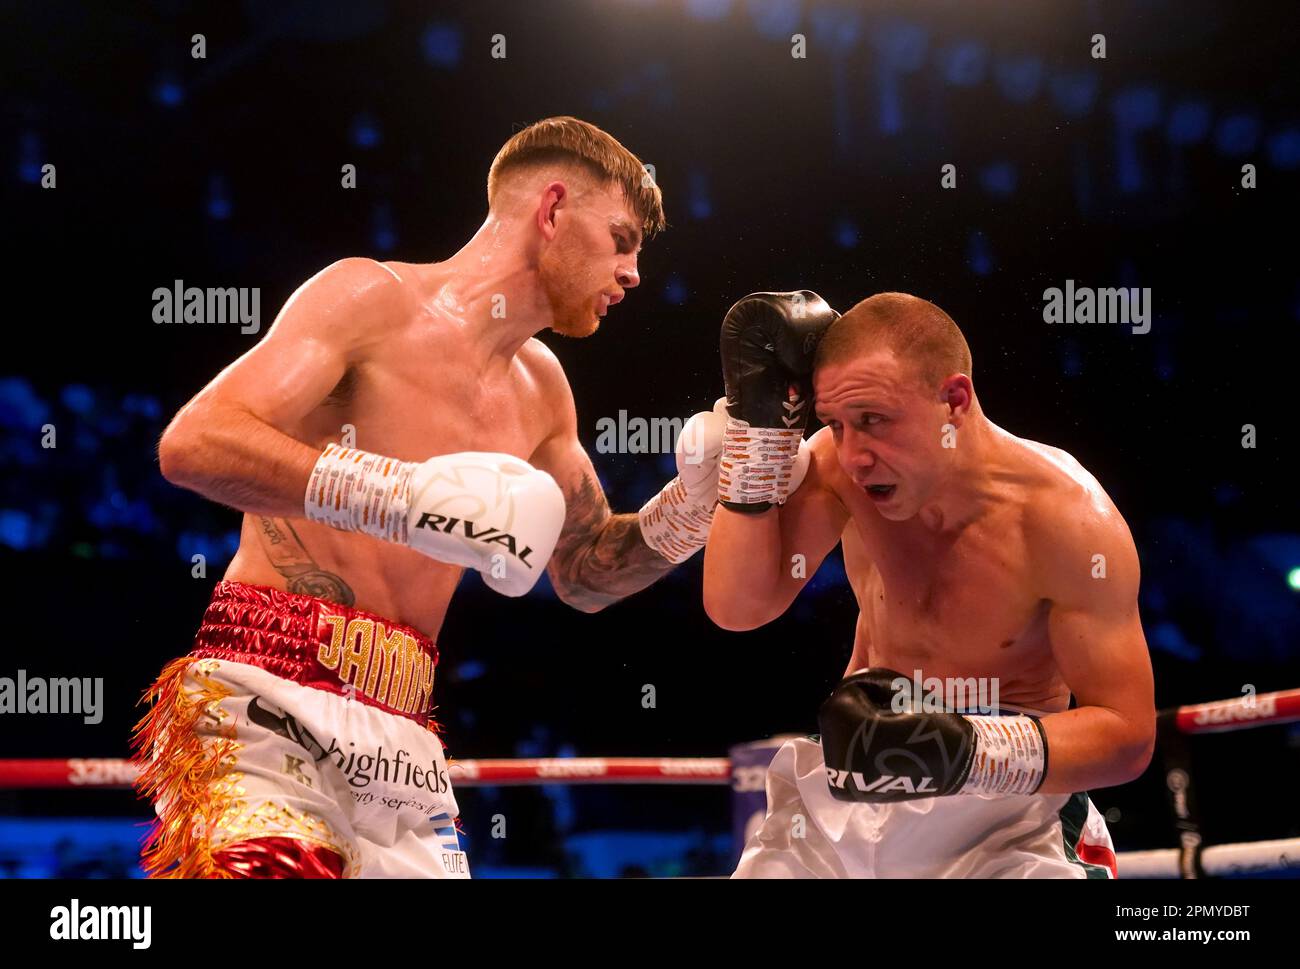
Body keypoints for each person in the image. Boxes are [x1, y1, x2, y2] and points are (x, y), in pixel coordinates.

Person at [135, 116, 727, 878]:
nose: (634, 272)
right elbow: (195, 442)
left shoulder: (543, 389)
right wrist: (401, 493)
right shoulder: (370, 298)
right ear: (551, 210)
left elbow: (585, 571)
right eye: (621, 238)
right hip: (267, 690)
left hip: (405, 741)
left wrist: (698, 502)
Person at [704, 291, 1155, 878]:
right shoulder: (842, 469)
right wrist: (755, 440)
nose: (855, 453)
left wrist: (963, 753)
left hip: (1004, 816)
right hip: (849, 794)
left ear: (954, 399)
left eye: (874, 420)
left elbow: (1128, 735)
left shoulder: (1065, 519)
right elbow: (738, 607)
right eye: (835, 424)